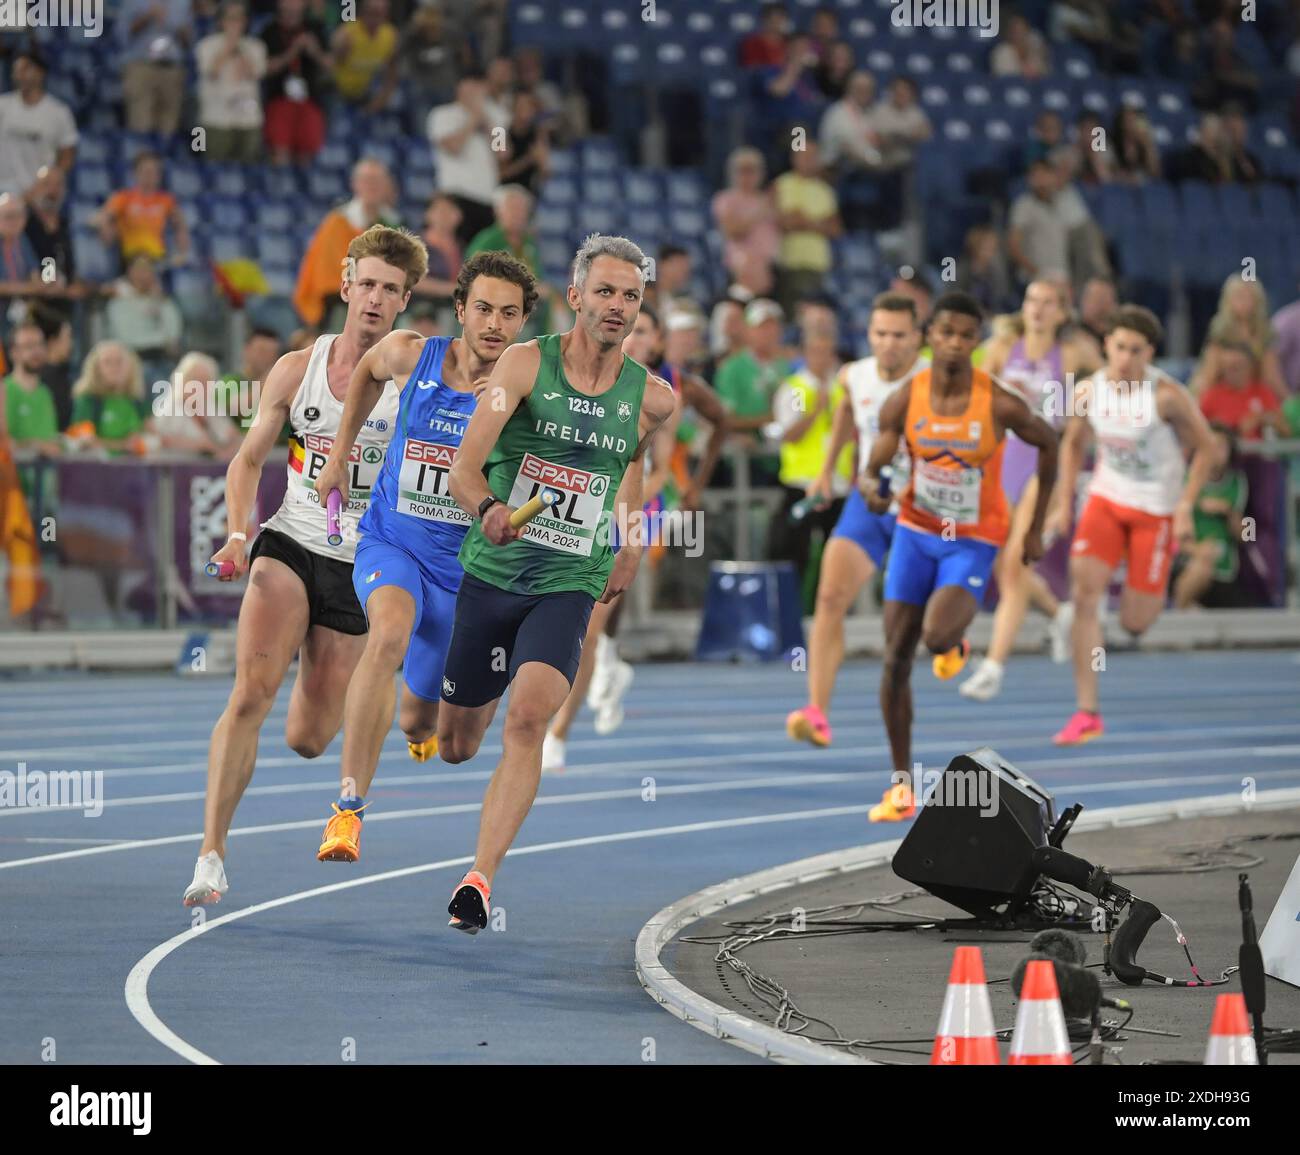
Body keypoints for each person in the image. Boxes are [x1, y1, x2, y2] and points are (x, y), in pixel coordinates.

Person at [435, 234, 676, 932]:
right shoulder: (522, 364)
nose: (618, 306)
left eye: (631, 295)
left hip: (570, 574)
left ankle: (479, 879)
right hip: (494, 569)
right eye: (604, 291)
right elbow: (462, 469)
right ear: (575, 297)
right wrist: (489, 511)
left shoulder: (651, 398)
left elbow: (631, 460)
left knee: (529, 717)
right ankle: (454, 700)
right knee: (456, 742)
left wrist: (628, 540)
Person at [181, 225, 428, 906]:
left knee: (308, 737)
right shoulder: (297, 368)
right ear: (346, 286)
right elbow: (248, 457)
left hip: (362, 562)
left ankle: (309, 659)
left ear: (404, 302)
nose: (375, 299)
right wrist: (238, 534)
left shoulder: (412, 385)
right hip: (289, 541)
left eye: (390, 290)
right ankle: (210, 854)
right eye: (367, 284)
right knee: (250, 693)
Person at [309, 251, 536, 862]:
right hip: (394, 541)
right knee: (385, 634)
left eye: (508, 315)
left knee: (434, 732)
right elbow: (366, 372)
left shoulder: (525, 393)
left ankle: (417, 725)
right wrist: (339, 453)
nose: (493, 324)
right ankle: (347, 810)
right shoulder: (414, 353)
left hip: (464, 573)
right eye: (483, 308)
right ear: (460, 309)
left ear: (522, 325)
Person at [861, 292, 1058, 821]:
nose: (953, 343)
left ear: (977, 341)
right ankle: (900, 785)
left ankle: (955, 642)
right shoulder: (905, 398)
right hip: (914, 533)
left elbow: (1050, 442)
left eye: (965, 335)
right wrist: (871, 486)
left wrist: (1035, 526)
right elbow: (876, 462)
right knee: (895, 658)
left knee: (935, 636)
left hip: (972, 540)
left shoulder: (997, 401)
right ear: (930, 335)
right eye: (945, 332)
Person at [1046, 305, 1215, 746]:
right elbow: (1072, 444)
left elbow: (1210, 449)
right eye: (1118, 347)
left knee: (1137, 622)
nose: (1124, 358)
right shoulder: (1087, 391)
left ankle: (1160, 577)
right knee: (1084, 597)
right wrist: (1064, 503)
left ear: (1150, 353)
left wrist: (1184, 506)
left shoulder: (1167, 396)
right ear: (1106, 345)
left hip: (1154, 510)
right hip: (1106, 498)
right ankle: (1087, 712)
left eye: (1135, 350)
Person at [540, 303, 681, 770]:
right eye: (633, 331)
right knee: (568, 615)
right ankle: (610, 662)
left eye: (646, 333)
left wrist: (630, 510)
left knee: (590, 623)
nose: (637, 339)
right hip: (577, 505)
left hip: (629, 511)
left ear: (657, 343)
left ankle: (557, 733)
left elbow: (657, 470)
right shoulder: (587, 376)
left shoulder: (660, 393)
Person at [786, 292, 926, 747]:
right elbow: (846, 409)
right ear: (869, 334)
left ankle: (950, 640)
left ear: (918, 338)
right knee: (829, 597)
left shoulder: (937, 380)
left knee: (908, 625)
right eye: (880, 334)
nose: (889, 344)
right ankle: (817, 711)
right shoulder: (855, 374)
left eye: (899, 335)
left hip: (924, 509)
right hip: (869, 501)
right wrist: (827, 471)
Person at [959, 279, 1100, 701]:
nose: (1037, 310)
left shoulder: (1073, 354)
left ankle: (993, 666)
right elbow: (974, 398)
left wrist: (1062, 493)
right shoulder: (1003, 348)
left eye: (1047, 303)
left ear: (1062, 311)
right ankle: (1060, 614)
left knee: (1015, 566)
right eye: (1031, 301)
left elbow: (1079, 421)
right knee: (1005, 563)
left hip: (1044, 459)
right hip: (1004, 459)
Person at [1172, 423, 1249, 609]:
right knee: (1201, 566)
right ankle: (1181, 616)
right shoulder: (1183, 481)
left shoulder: (1239, 482)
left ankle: (1185, 615)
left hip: (1224, 570)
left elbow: (1248, 536)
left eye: (1221, 447)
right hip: (1185, 562)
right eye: (1210, 445)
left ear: (1230, 452)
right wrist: (1197, 550)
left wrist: (1229, 512)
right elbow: (1172, 535)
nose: (1215, 452)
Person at [1190, 274, 1288, 401]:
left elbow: (1272, 377)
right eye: (1239, 296)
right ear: (1228, 300)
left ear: (1257, 301)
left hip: (1255, 394)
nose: (1244, 302)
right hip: (1221, 392)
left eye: (1249, 297)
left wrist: (1289, 401)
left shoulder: (1264, 332)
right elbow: (1207, 375)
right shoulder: (1220, 331)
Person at [195, 1, 268, 164]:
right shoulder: (206, 45)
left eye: (239, 19)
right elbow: (211, 72)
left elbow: (255, 73)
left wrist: (239, 49)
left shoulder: (256, 47)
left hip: (249, 119)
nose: (235, 23)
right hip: (216, 118)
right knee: (215, 166)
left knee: (249, 168)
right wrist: (229, 46)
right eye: (231, 18)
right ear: (221, 21)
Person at [0, 48, 78, 199]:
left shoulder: (58, 112)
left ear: (40, 72)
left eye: (25, 69)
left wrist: (51, 180)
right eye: (16, 70)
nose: (19, 75)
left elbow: (67, 154)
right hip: (4, 189)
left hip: (40, 192)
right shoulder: (2, 106)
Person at [93, 151, 191, 267]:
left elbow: (180, 225)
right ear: (136, 173)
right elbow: (102, 217)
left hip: (156, 258)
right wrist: (105, 226)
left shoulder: (166, 200)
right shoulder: (123, 197)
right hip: (130, 258)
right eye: (146, 171)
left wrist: (182, 252)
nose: (150, 176)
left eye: (155, 172)